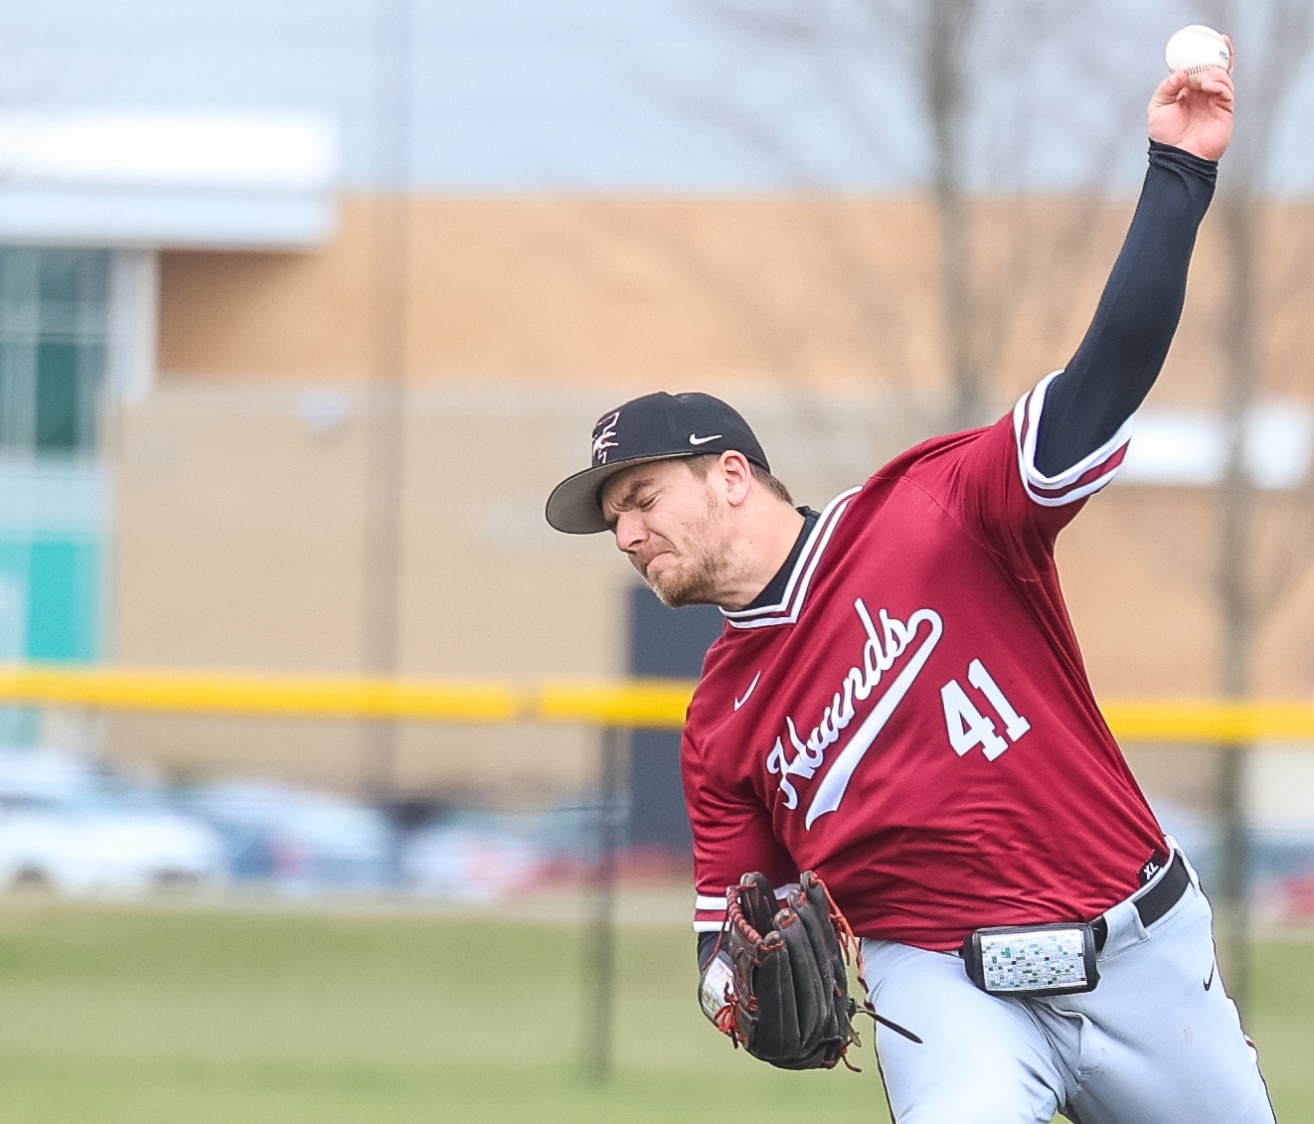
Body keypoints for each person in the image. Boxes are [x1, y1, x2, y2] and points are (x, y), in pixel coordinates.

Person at [545, 51, 1274, 1124]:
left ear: (733, 474)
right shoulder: (719, 725)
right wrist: (740, 996)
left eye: (642, 494)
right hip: (940, 984)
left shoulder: (932, 512)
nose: (627, 529)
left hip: (1139, 948)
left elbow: (1106, 375)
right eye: (611, 518)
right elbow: (718, 945)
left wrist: (1177, 174)